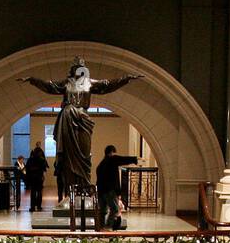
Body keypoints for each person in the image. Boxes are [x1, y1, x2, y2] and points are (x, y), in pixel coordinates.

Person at [17, 58, 143, 214]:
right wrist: (32, 80)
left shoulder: (89, 83)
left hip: (83, 119)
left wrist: (126, 79)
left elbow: (108, 85)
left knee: (84, 156)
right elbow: (50, 86)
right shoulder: (67, 83)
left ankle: (84, 192)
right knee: (69, 159)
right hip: (68, 118)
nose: (79, 70)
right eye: (76, 67)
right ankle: (72, 194)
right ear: (72, 70)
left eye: (81, 68)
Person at [95, 145, 138, 231]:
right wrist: (134, 159)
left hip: (101, 191)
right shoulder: (112, 159)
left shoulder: (101, 164)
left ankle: (100, 228)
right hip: (110, 190)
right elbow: (122, 159)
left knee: (103, 211)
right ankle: (108, 227)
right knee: (114, 209)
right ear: (111, 152)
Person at [25, 143, 48, 212]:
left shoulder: (30, 159)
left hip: (32, 178)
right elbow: (45, 167)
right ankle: (39, 206)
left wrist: (28, 178)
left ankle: (32, 207)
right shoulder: (41, 159)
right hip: (39, 177)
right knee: (39, 192)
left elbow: (27, 168)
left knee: (33, 192)